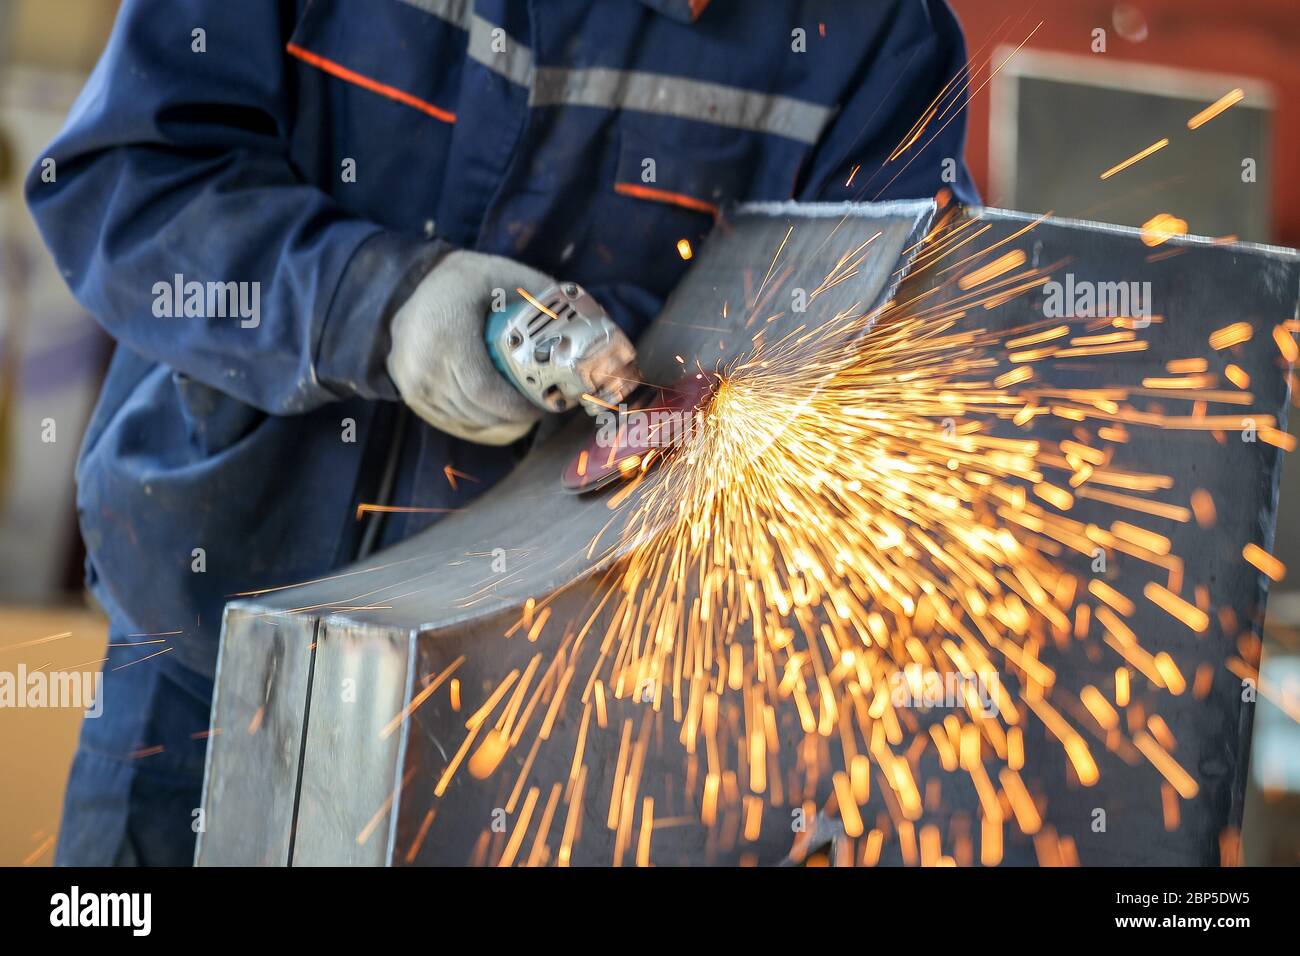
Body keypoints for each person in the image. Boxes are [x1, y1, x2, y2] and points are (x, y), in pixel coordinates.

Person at [26, 0, 977, 865]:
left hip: (551, 738)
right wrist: (377, 303)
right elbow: (123, 179)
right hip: (204, 665)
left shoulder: (870, 36)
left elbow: (890, 404)